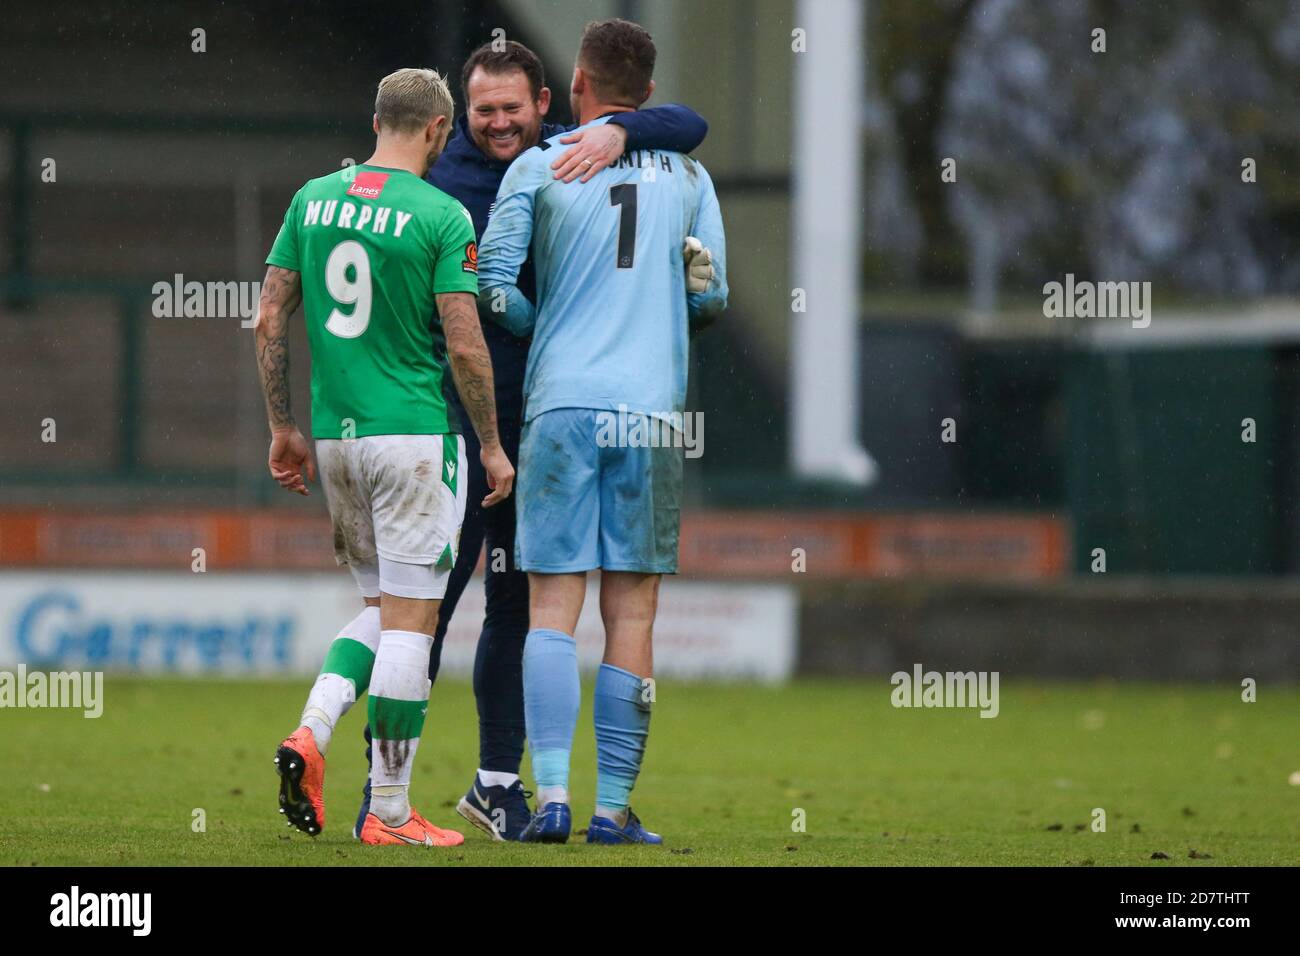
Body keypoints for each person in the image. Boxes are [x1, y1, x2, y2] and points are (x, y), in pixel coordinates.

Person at [352, 39, 710, 843]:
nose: (501, 121)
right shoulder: (435, 181)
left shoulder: (564, 159)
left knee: (518, 608)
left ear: (551, 101)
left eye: (514, 107)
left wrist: (621, 132)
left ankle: (499, 784)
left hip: (540, 423)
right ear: (457, 120)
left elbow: (690, 122)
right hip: (450, 425)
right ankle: (382, 790)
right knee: (424, 612)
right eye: (484, 110)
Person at [477, 18, 727, 844]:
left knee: (552, 607)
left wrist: (542, 320)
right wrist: (673, 298)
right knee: (635, 615)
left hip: (561, 407)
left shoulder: (538, 166)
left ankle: (549, 800)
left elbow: (495, 288)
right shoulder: (691, 177)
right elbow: (709, 299)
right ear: (646, 94)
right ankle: (611, 810)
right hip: (651, 411)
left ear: (576, 82)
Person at [255, 67, 513, 848]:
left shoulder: (311, 198)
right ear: (438, 129)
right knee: (414, 621)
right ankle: (392, 812)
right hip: (412, 438)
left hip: (336, 439)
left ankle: (311, 731)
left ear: (377, 121)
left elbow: (269, 319)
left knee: (379, 610)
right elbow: (465, 345)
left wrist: (282, 428)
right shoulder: (443, 214)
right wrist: (494, 446)